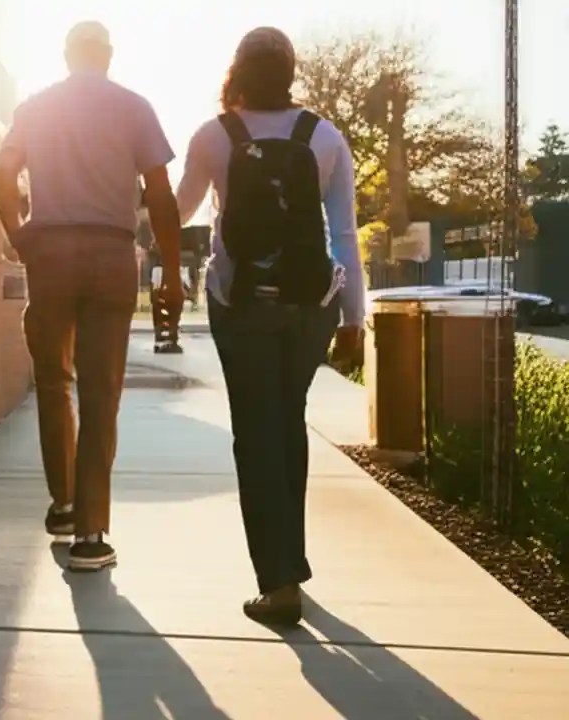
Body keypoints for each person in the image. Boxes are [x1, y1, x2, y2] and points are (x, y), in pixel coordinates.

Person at [174, 27, 366, 624]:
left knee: (255, 435)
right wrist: (355, 316)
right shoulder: (324, 136)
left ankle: (279, 581)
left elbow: (176, 213)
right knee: (287, 426)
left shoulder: (215, 136)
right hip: (311, 307)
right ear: (289, 72)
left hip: (244, 306)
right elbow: (344, 234)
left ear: (237, 70)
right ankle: (291, 563)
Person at [0, 20, 184, 572]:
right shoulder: (134, 107)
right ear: (107, 55)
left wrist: (18, 231)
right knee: (101, 392)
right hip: (109, 254)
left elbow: (2, 172)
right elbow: (161, 195)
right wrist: (171, 270)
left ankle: (63, 505)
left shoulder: (36, 108)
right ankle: (91, 537)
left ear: (67, 55)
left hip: (49, 253)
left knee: (54, 381)